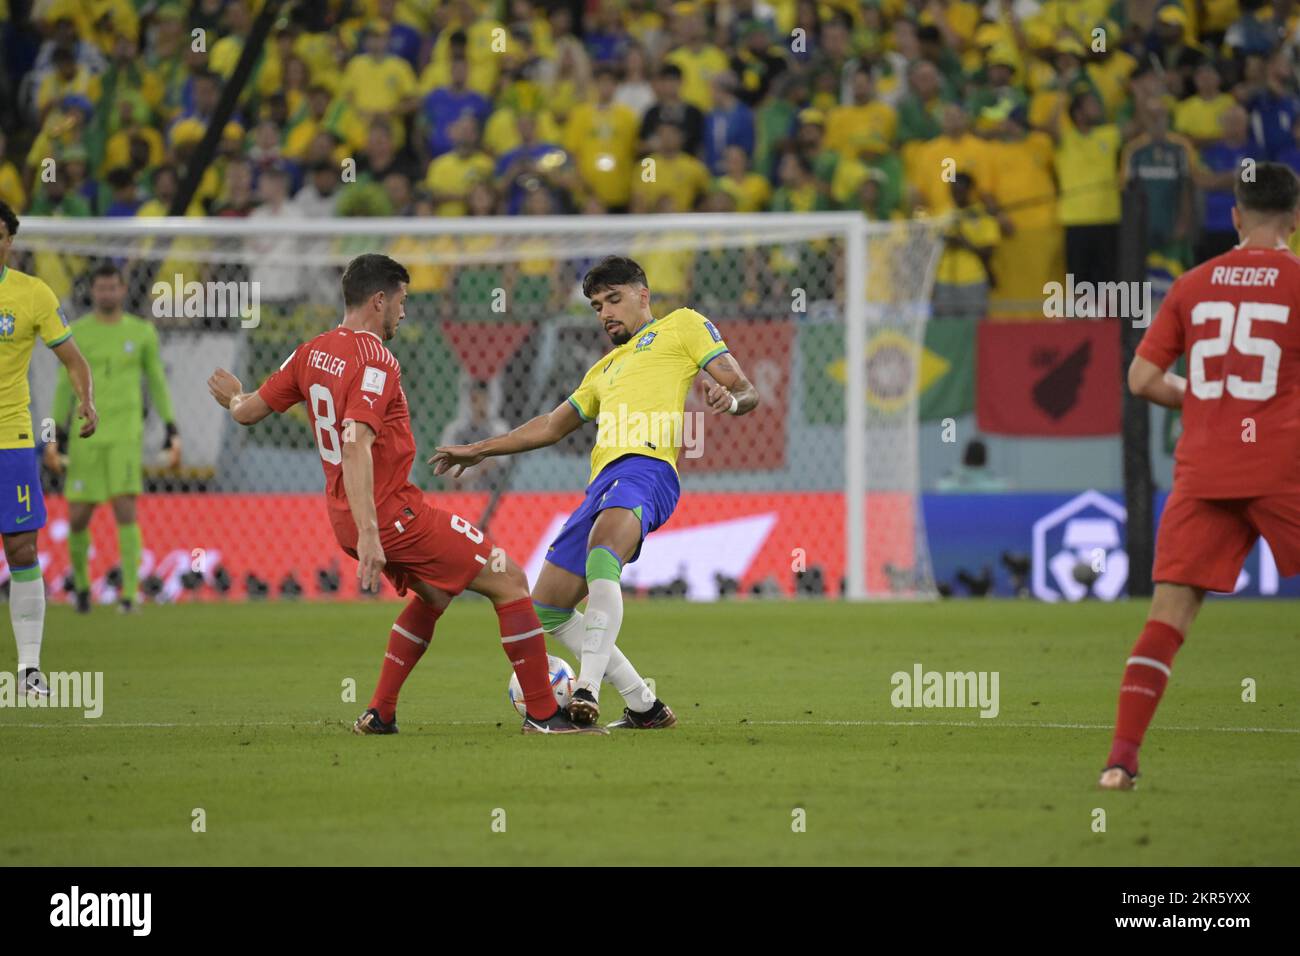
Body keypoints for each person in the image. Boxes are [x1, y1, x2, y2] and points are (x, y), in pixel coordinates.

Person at [206, 254, 600, 736]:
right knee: (510, 579)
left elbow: (247, 412)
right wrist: (372, 534)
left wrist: (232, 396)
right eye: (402, 301)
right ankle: (544, 714)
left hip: (345, 516)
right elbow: (355, 442)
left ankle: (380, 713)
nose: (404, 312)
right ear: (379, 300)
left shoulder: (309, 352)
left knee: (433, 595)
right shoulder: (376, 359)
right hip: (388, 514)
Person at [432, 256, 761, 728]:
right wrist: (482, 448)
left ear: (643, 295)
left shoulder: (682, 326)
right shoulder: (603, 369)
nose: (605, 312)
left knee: (602, 551)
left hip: (648, 470)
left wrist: (729, 400)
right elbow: (550, 425)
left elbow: (745, 388)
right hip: (601, 484)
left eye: (614, 299)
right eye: (596, 305)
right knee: (545, 607)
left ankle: (585, 688)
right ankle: (644, 705)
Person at [1101, 162, 1300, 789]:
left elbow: (1141, 379)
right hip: (1281, 466)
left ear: (1235, 216)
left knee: (1168, 616)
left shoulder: (1192, 284)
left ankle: (1119, 762)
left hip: (1205, 469)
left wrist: (1208, 396)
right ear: (1294, 219)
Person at [0, 200, 97, 698]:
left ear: (9, 241)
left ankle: (29, 668)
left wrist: (86, 400)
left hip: (11, 437)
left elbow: (73, 359)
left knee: (20, 546)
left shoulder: (32, 294)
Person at [47, 263, 179, 613]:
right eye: (101, 288)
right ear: (93, 291)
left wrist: (171, 428)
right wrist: (53, 434)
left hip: (124, 434)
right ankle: (82, 590)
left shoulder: (141, 332)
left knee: (126, 510)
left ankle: (130, 595)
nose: (107, 293)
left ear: (123, 290)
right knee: (77, 516)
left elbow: (157, 382)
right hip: (85, 434)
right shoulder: (75, 333)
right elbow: (64, 386)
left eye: (113, 287)